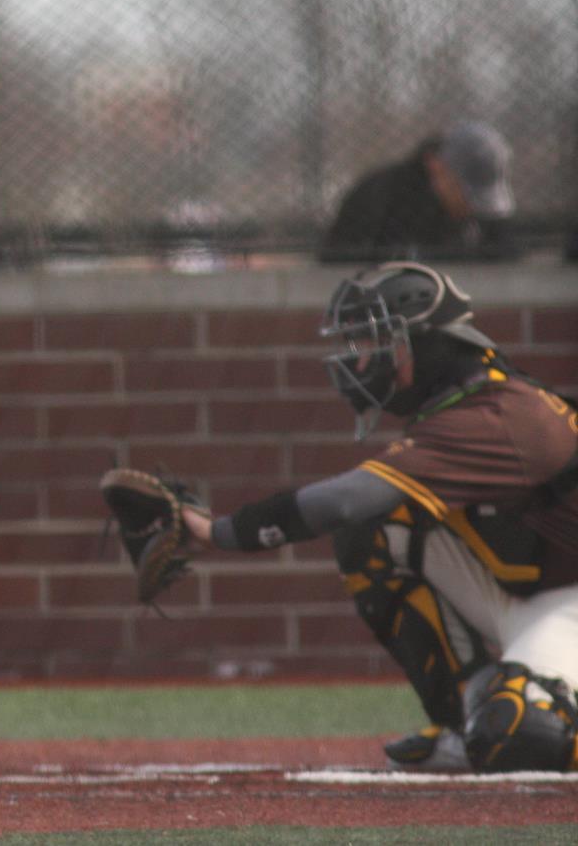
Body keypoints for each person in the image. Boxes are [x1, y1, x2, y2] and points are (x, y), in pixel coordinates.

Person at [174, 262, 578, 772]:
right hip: (530, 589)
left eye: (380, 342)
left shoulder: (497, 414)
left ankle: (515, 718)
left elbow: (345, 499)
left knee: (523, 732)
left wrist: (217, 532)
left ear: (427, 342)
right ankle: (462, 720)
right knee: (373, 533)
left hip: (570, 604)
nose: (364, 360)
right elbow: (360, 515)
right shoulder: (464, 404)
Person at [320, 121, 516, 263]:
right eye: (465, 192)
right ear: (436, 167)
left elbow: (505, 252)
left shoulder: (484, 215)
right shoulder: (384, 197)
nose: (472, 207)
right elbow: (339, 260)